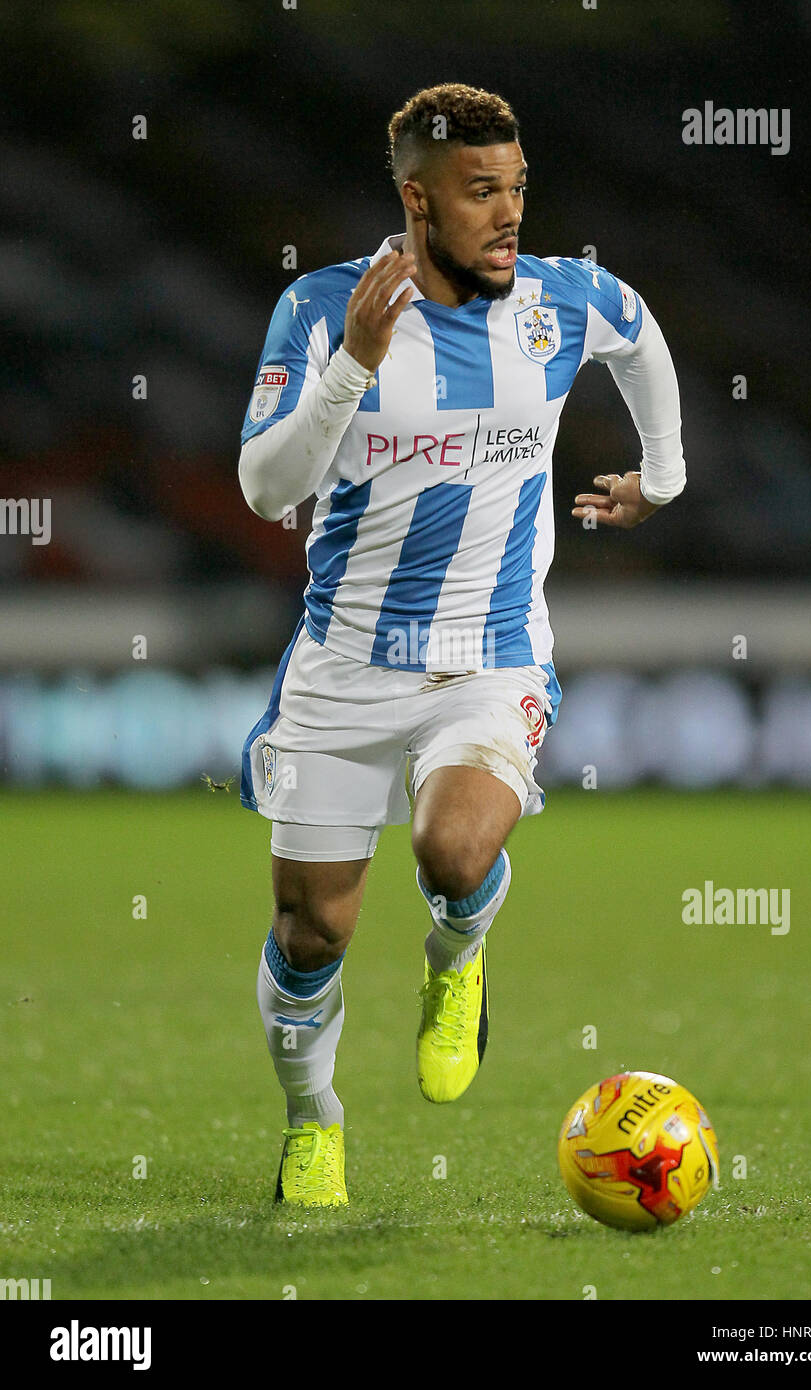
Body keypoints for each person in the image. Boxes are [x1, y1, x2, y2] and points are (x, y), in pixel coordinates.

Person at [237, 82, 686, 1206]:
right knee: (311, 928)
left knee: (455, 848)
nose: (508, 213)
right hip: (343, 664)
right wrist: (350, 364)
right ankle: (315, 1119)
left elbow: (639, 334)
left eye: (518, 187)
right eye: (481, 191)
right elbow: (262, 487)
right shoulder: (323, 307)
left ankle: (458, 957)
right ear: (416, 200)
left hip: (489, 655)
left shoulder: (557, 301)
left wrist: (663, 474)